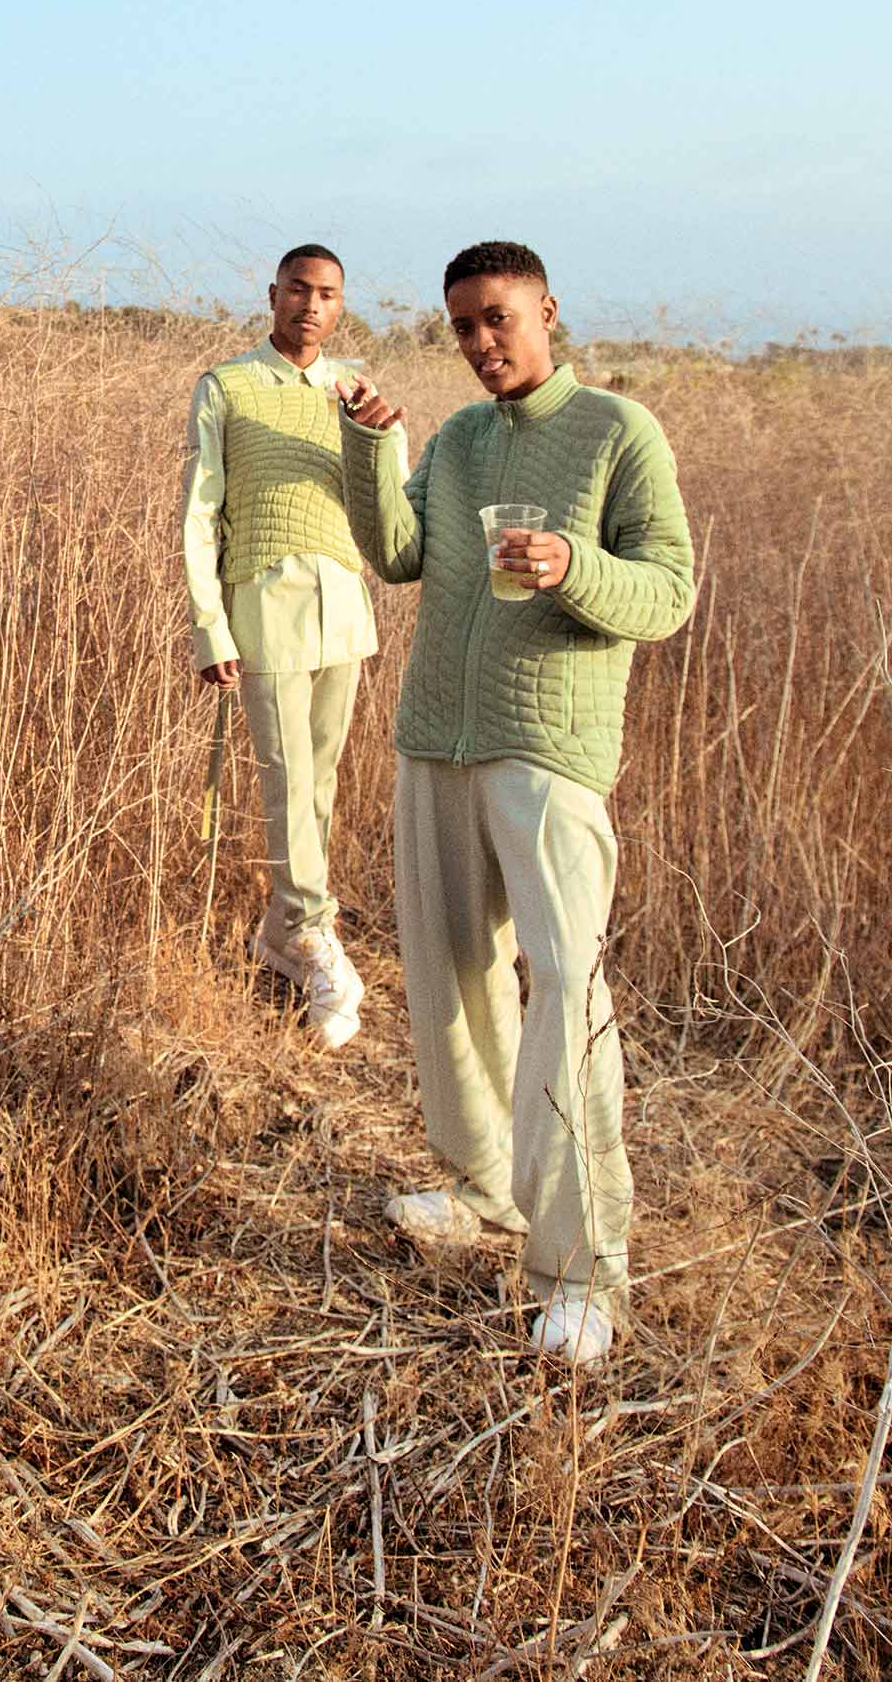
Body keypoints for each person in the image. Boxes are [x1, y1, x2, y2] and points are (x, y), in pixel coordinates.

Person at [340, 242, 694, 1365]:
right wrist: (366, 444)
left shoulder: (617, 432)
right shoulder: (453, 440)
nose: (480, 343)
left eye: (496, 318)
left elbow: (669, 593)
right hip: (432, 742)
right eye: (461, 327)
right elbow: (395, 555)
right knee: (447, 984)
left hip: (547, 751)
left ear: (546, 309)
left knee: (563, 990)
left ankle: (584, 1268)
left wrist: (571, 564)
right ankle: (481, 1189)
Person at [180, 245, 394, 1047]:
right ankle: (312, 934)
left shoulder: (353, 390)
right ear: (272, 295)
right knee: (285, 778)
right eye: (298, 289)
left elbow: (382, 508)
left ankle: (277, 934)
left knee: (321, 782)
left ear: (341, 305)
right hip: (260, 602)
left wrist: (375, 436)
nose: (311, 304)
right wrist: (209, 623)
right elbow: (200, 511)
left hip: (343, 604)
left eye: (328, 293)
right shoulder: (228, 385)